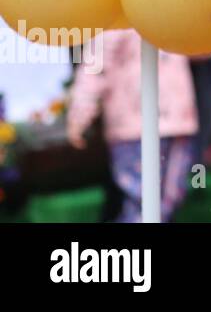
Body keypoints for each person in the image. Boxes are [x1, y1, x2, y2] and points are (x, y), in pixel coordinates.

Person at [66, 30, 197, 222]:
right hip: (134, 128)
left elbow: (200, 46)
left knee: (168, 200)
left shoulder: (173, 16)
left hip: (178, 121)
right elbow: (96, 65)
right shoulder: (116, 22)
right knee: (143, 202)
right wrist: (80, 114)